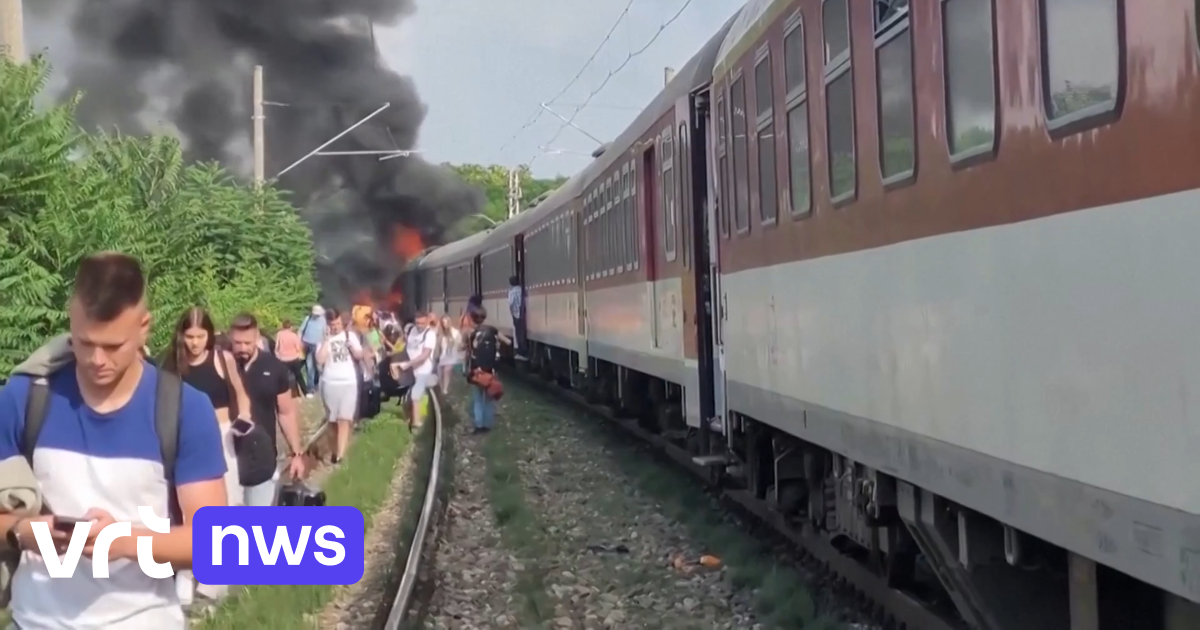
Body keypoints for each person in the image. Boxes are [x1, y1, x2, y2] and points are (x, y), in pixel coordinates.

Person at [0, 252, 227, 629]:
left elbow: (214, 545)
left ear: (144, 327)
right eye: (84, 342)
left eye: (112, 346)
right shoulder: (23, 399)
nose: (96, 360)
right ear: (71, 319)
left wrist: (122, 542)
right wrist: (23, 532)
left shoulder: (184, 410)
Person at [227, 313, 307, 505]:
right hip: (226, 461)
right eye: (237, 343)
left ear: (257, 337)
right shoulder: (221, 366)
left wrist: (296, 454)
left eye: (247, 343)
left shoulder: (274, 368)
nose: (242, 348)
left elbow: (286, 412)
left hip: (261, 460)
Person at [316, 309, 362, 464]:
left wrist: (352, 347)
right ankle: (334, 450)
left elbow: (359, 355)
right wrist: (326, 341)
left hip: (348, 382)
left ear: (341, 322)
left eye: (337, 324)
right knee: (332, 421)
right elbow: (320, 360)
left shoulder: (350, 336)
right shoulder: (323, 340)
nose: (335, 327)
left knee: (344, 419)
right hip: (330, 382)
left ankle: (340, 455)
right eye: (332, 324)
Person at [463, 306, 510, 434]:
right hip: (491, 370)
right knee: (489, 398)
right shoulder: (493, 330)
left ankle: (479, 425)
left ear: (471, 318)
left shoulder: (471, 333)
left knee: (478, 399)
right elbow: (507, 342)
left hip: (476, 371)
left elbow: (465, 349)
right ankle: (488, 425)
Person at [396, 311, 439, 430]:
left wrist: (408, 364)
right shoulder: (412, 330)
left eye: (422, 323)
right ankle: (409, 418)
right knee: (406, 396)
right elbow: (407, 347)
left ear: (427, 321)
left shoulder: (430, 335)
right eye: (417, 323)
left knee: (415, 394)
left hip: (423, 369)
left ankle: (416, 423)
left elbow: (424, 356)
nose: (419, 325)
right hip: (410, 370)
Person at [274, 319, 308, 397]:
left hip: (283, 359)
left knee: (284, 377)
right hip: (294, 359)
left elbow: (277, 347)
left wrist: (278, 355)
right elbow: (298, 348)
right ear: (291, 327)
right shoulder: (294, 336)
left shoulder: (279, 334)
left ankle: (284, 393)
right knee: (299, 376)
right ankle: (305, 392)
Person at [298, 305, 327, 392]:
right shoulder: (308, 319)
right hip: (307, 345)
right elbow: (300, 331)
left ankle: (317, 385)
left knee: (318, 367)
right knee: (310, 367)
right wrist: (299, 342)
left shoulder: (323, 321)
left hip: (318, 346)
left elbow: (326, 334)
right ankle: (310, 388)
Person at [437, 315, 464, 395]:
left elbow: (460, 344)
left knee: (447, 370)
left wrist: (460, 345)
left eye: (445, 323)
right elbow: (438, 345)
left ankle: (445, 388)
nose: (444, 324)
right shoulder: (440, 333)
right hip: (443, 355)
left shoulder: (455, 332)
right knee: (439, 372)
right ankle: (441, 387)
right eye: (442, 323)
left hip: (452, 355)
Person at [508, 275, 528, 360]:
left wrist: (512, 314)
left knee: (518, 333)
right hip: (523, 313)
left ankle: (520, 351)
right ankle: (524, 349)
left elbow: (511, 304)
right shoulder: (521, 290)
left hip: (516, 314)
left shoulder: (511, 292)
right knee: (522, 333)